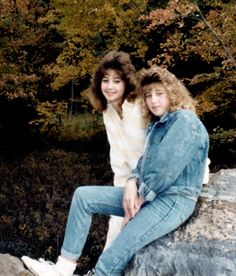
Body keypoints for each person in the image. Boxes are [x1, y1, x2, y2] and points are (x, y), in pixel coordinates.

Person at [21, 65, 209, 276]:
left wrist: (136, 203)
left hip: (174, 199)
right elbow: (144, 163)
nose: (153, 100)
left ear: (172, 94)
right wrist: (132, 181)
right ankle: (63, 268)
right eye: (148, 95)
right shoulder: (157, 125)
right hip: (151, 194)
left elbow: (164, 172)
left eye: (159, 94)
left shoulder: (185, 121)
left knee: (115, 253)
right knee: (83, 197)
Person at [88, 50, 146, 249]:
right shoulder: (109, 112)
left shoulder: (141, 105)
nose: (110, 87)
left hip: (155, 182)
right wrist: (124, 198)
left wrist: (136, 186)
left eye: (117, 81)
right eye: (105, 80)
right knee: (116, 223)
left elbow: (157, 152)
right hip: (130, 183)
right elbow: (119, 163)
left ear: (127, 83)